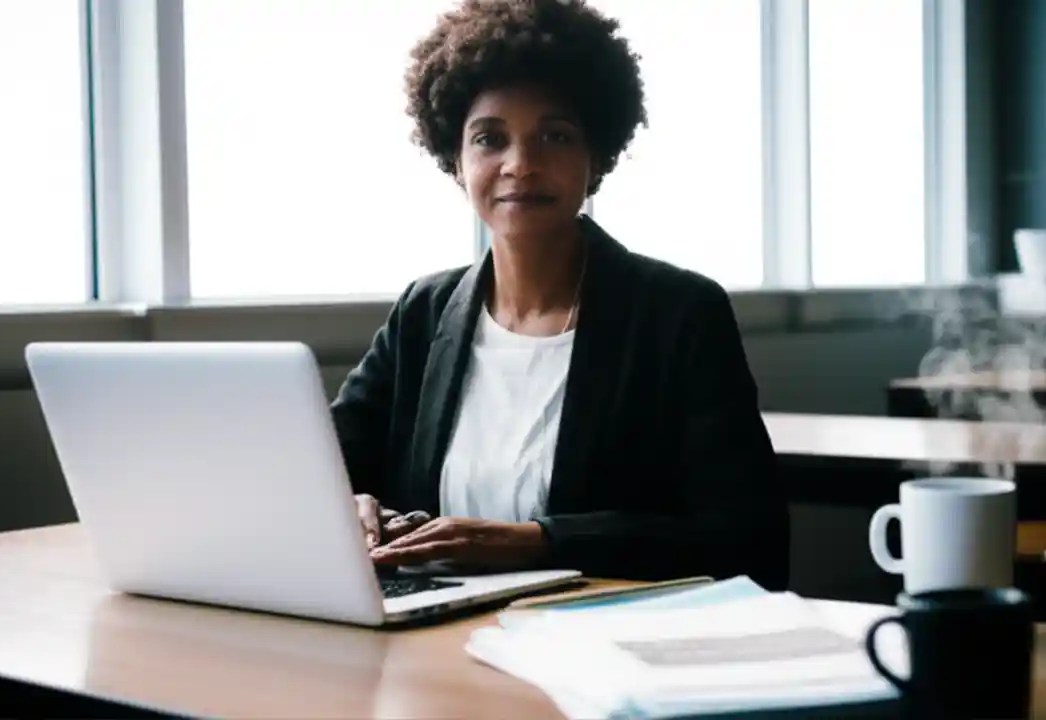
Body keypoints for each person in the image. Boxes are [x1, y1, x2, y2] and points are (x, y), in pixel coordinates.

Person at [331, 0, 788, 586]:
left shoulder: (680, 314)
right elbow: (320, 469)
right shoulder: (422, 312)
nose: (521, 164)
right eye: (489, 139)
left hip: (606, 631)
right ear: (456, 161)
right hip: (439, 629)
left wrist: (536, 543)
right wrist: (348, 506)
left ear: (596, 159)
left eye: (555, 136)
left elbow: (747, 538)